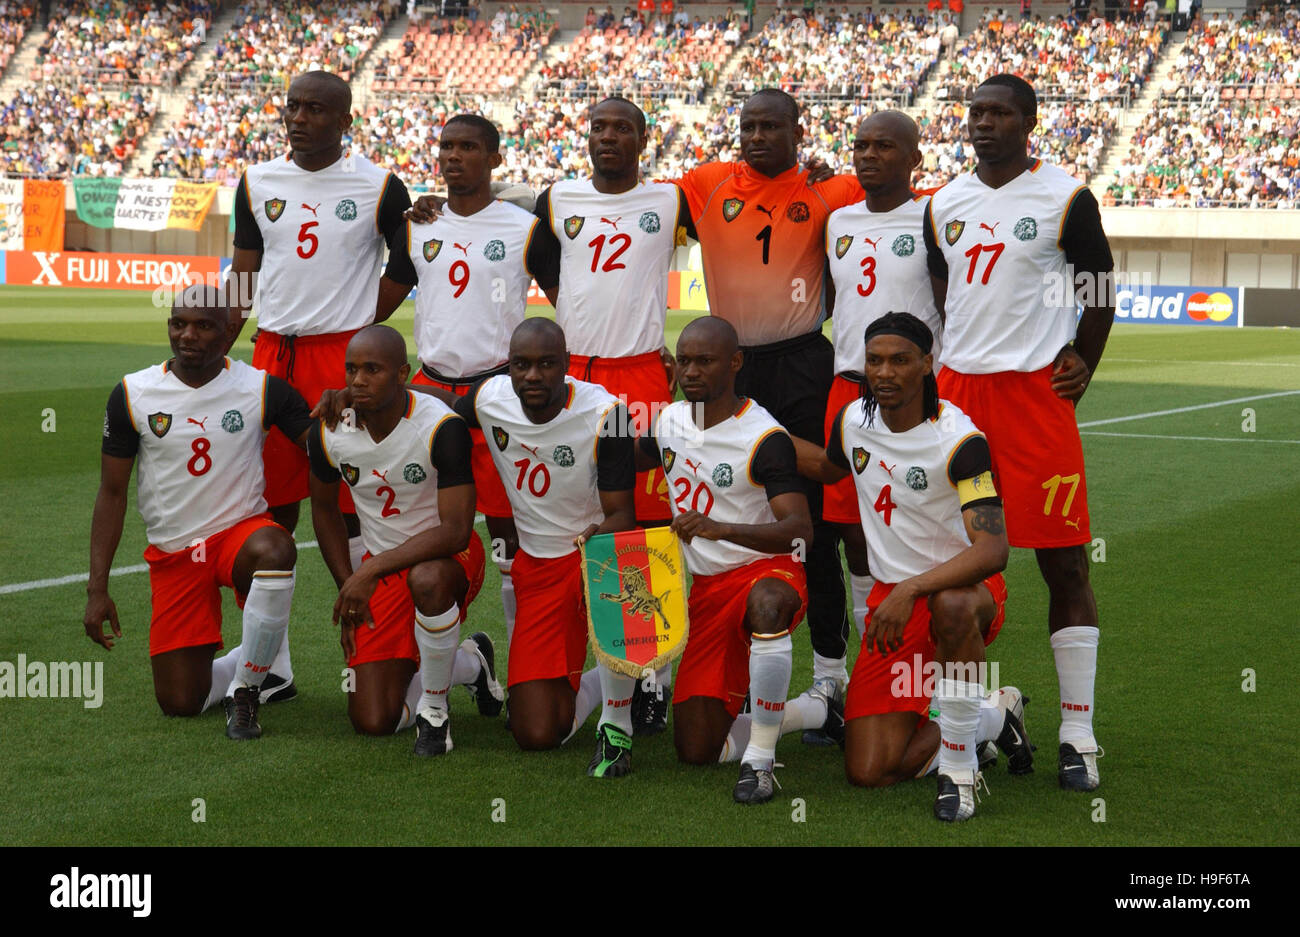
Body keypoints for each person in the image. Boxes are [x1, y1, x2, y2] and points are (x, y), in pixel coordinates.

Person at [923, 75, 1115, 791]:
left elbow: (1098, 284)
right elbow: (942, 283)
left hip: (1035, 398)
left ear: (1029, 122)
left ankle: (1076, 731)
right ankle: (965, 724)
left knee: (1063, 564)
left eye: (999, 112)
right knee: (954, 559)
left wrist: (1083, 361)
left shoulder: (1065, 196)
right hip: (960, 398)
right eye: (975, 112)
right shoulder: (944, 202)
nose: (984, 123)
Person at [673, 88, 865, 726]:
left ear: (797, 131)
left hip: (802, 362)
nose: (756, 137)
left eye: (770, 126)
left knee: (816, 514)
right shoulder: (703, 182)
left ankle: (832, 675)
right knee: (725, 496)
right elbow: (626, 214)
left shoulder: (831, 191)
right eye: (747, 125)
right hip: (727, 364)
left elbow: (896, 210)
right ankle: (729, 659)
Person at [794, 313, 1033, 821]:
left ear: (927, 363)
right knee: (869, 770)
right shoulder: (852, 422)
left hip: (964, 593)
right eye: (875, 360)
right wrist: (750, 428)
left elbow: (992, 551)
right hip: (895, 603)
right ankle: (993, 714)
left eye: (900, 360)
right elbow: (824, 467)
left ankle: (960, 770)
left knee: (950, 606)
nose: (885, 372)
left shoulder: (960, 441)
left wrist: (911, 590)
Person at [377, 114, 560, 686]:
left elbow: (568, 309)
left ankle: (522, 675)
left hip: (500, 397)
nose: (455, 157)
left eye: (469, 148)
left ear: (495, 159)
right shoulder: (418, 226)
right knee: (422, 533)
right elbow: (379, 305)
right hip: (429, 396)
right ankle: (439, 667)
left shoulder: (525, 227)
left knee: (512, 543)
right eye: (447, 147)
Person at [84, 285, 313, 740]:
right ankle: (267, 663)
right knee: (180, 703)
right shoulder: (133, 393)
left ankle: (247, 689)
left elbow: (319, 447)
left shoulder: (260, 388)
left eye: (203, 325)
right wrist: (97, 588)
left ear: (228, 331)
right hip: (176, 554)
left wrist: (345, 413)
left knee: (275, 546)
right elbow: (112, 493)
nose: (187, 335)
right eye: (178, 323)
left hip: (238, 537)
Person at [534, 96, 696, 734]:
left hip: (636, 381)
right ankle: (578, 668)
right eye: (597, 126)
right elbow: (543, 261)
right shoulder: (557, 199)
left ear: (642, 139)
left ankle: (647, 673)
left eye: (621, 128)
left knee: (639, 530)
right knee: (577, 513)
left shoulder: (670, 201)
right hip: (571, 376)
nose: (607, 136)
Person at [636, 318, 832, 805]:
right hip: (707, 588)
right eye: (685, 361)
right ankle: (815, 711)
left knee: (767, 604)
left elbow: (798, 531)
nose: (693, 371)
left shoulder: (764, 436)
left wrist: (722, 528)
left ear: (736, 362)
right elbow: (620, 457)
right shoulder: (668, 422)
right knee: (695, 748)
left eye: (706, 361)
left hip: (767, 571)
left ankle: (761, 759)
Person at [230, 70, 412, 569]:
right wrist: (213, 361)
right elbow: (244, 280)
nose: (298, 118)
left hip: (345, 361)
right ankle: (263, 649)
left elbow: (407, 259)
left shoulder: (379, 186)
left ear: (344, 120)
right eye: (292, 106)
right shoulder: (256, 181)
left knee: (354, 502)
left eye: (314, 109)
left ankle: (368, 636)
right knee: (270, 506)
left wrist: (364, 325)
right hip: (273, 354)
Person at [451, 320, 640, 775]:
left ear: (567, 365)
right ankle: (603, 684)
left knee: (617, 555)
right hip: (538, 567)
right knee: (535, 734)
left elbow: (623, 515)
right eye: (522, 365)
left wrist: (596, 541)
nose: (532, 376)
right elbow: (434, 412)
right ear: (508, 368)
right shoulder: (489, 398)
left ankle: (618, 727)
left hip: (595, 558)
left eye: (546, 364)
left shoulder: (607, 413)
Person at [308, 326, 503, 753]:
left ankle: (434, 713)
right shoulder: (328, 429)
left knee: (427, 580)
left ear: (402, 374)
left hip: (449, 559)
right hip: (383, 567)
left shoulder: (439, 427)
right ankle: (471, 664)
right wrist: (349, 584)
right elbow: (323, 510)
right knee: (374, 720)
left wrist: (371, 569)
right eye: (351, 370)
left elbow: (456, 533)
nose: (358, 380)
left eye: (372, 370)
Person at [823, 110, 944, 673]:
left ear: (914, 158)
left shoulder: (933, 216)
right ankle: (872, 661)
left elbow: (951, 302)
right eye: (861, 146)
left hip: (913, 399)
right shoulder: (837, 221)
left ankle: (936, 667)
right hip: (847, 389)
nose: (869, 155)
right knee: (852, 532)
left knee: (920, 527)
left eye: (885, 147)